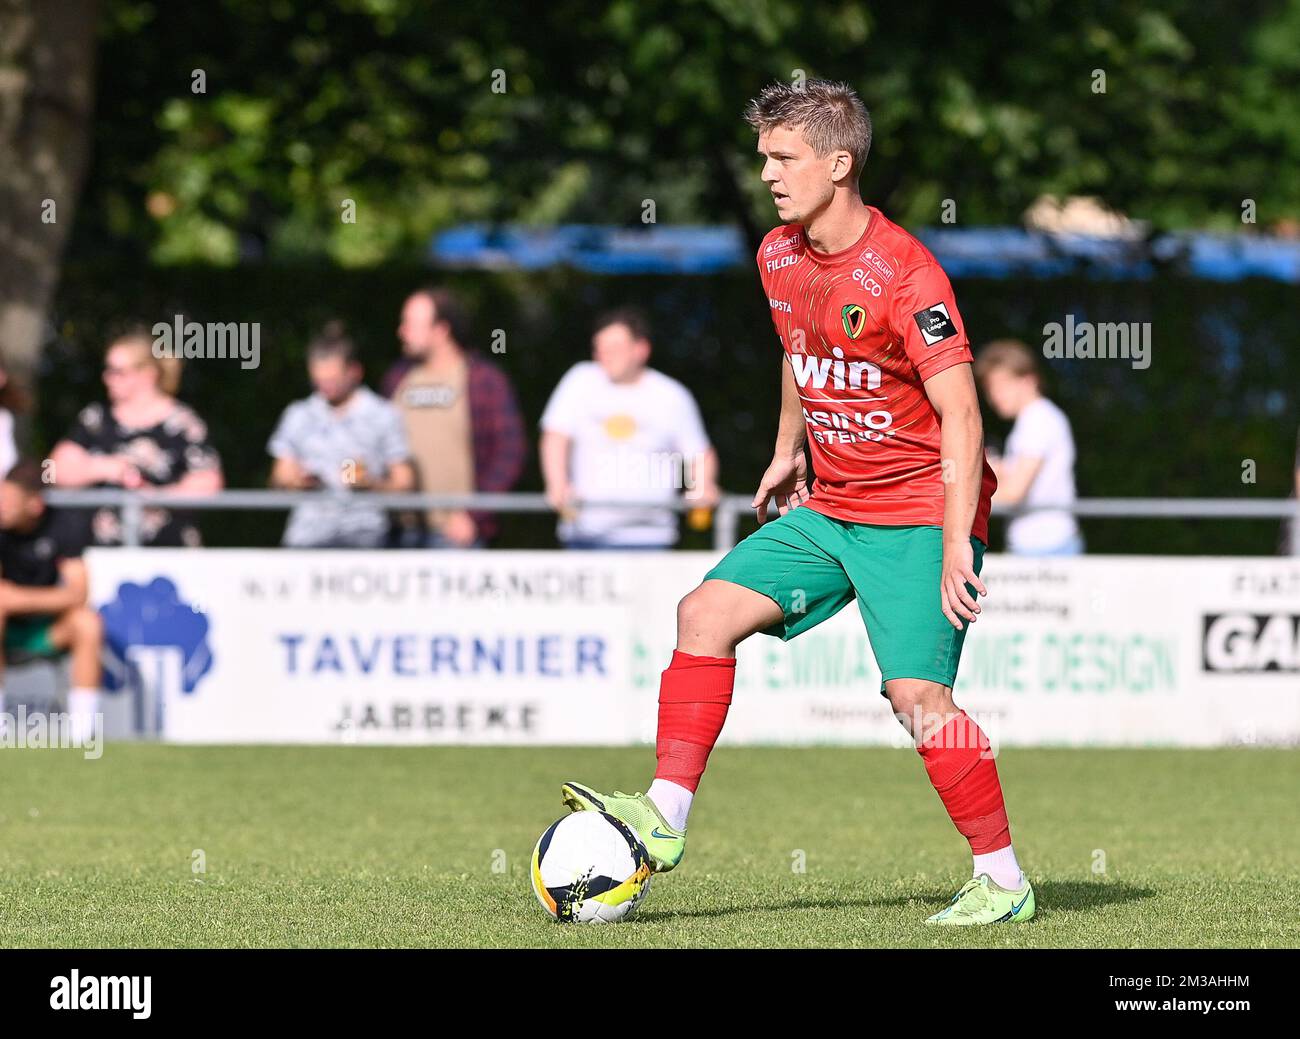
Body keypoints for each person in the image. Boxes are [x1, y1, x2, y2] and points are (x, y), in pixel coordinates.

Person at [559, 80, 1034, 926]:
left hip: (921, 511)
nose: (768, 173)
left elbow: (962, 410)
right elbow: (798, 346)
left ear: (839, 163)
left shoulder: (907, 274)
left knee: (918, 700)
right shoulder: (779, 252)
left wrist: (959, 536)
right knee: (702, 611)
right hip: (833, 502)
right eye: (764, 157)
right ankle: (664, 822)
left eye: (784, 157)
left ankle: (1003, 877)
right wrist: (788, 448)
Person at [539, 308, 720, 549]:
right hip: (585, 534)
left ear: (641, 349)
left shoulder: (671, 395)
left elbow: (699, 453)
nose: (604, 356)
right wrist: (557, 482)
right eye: (599, 349)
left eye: (614, 349)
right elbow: (555, 436)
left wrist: (702, 486)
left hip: (651, 538)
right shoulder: (580, 380)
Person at [49, 330, 223, 546]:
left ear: (147, 374)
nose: (107, 378)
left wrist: (153, 496)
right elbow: (50, 471)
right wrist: (104, 468)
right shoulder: (96, 419)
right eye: (107, 370)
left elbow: (208, 484)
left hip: (169, 555)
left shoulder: (183, 423)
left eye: (118, 371)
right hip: (98, 557)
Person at [385, 287, 526, 547]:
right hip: (399, 532)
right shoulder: (397, 379)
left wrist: (474, 515)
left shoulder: (483, 380)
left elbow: (510, 453)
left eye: (410, 324)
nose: (401, 331)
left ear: (441, 330)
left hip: (457, 535)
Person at [268, 321, 414, 548]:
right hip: (307, 536)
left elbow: (404, 482)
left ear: (354, 372)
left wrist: (370, 484)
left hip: (365, 537)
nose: (326, 389)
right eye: (319, 382)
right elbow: (279, 476)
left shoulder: (383, 415)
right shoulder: (299, 415)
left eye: (333, 381)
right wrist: (298, 481)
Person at [0, 459, 103, 745]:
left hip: (46, 630)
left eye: (7, 501)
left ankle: (83, 735)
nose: (1, 507)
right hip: (6, 629)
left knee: (87, 623)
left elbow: (78, 593)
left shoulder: (64, 524)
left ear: (35, 505)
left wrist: (19, 599)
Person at [974, 339, 1083, 556]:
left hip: (1045, 548)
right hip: (1042, 545)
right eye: (990, 388)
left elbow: (1014, 493)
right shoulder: (1035, 419)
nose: (995, 395)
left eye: (1002, 385)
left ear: (1028, 380)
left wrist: (960, 502)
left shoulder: (1038, 420)